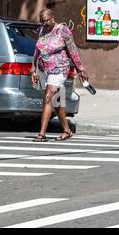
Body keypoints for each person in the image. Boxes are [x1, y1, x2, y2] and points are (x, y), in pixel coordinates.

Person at [31, 7, 90, 141]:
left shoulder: (63, 30)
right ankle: (67, 130)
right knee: (56, 101)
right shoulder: (41, 30)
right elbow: (37, 50)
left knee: (47, 96)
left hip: (59, 68)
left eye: (46, 21)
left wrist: (80, 69)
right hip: (45, 69)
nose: (44, 24)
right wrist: (33, 68)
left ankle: (41, 134)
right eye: (42, 21)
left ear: (52, 18)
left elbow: (73, 50)